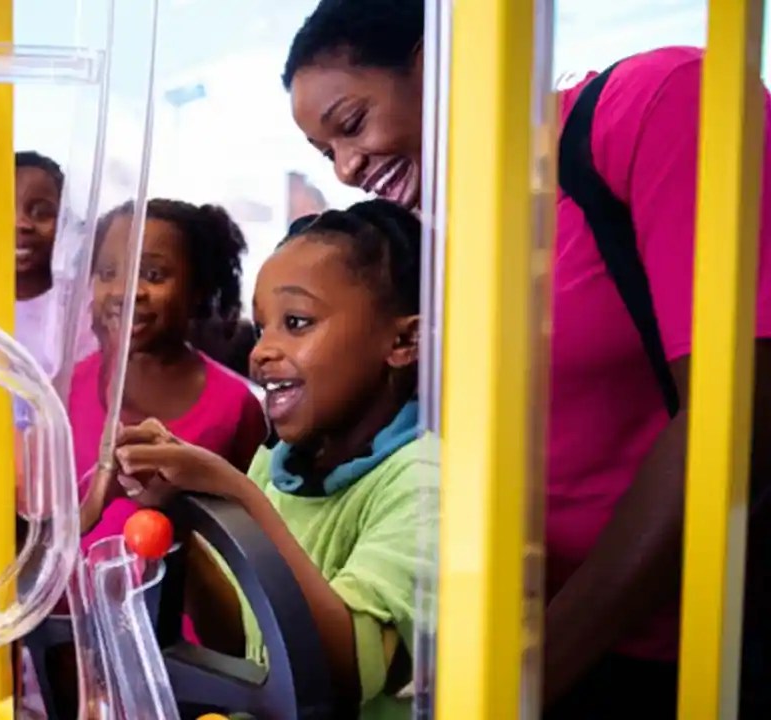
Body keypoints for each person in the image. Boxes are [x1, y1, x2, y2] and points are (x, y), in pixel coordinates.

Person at [280, 1, 771, 716]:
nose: (350, 168)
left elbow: (736, 414)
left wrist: (536, 667)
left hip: (697, 652)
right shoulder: (453, 240)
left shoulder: (657, 106)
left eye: (351, 124)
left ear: (440, 60)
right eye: (328, 155)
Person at [115, 200, 434, 719]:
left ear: (402, 340)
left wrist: (239, 495)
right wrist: (182, 514)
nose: (261, 351)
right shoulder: (279, 463)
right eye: (262, 327)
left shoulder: (423, 483)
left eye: (297, 322)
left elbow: (338, 677)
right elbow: (243, 645)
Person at [71, 198, 268, 550]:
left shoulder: (236, 406)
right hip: (70, 604)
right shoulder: (67, 389)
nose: (123, 292)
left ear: (198, 290)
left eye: (153, 275)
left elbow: (250, 530)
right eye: (107, 273)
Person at [14, 151, 99, 378]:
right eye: (2, 211)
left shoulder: (87, 308)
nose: (20, 223)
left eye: (41, 213)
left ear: (65, 223)